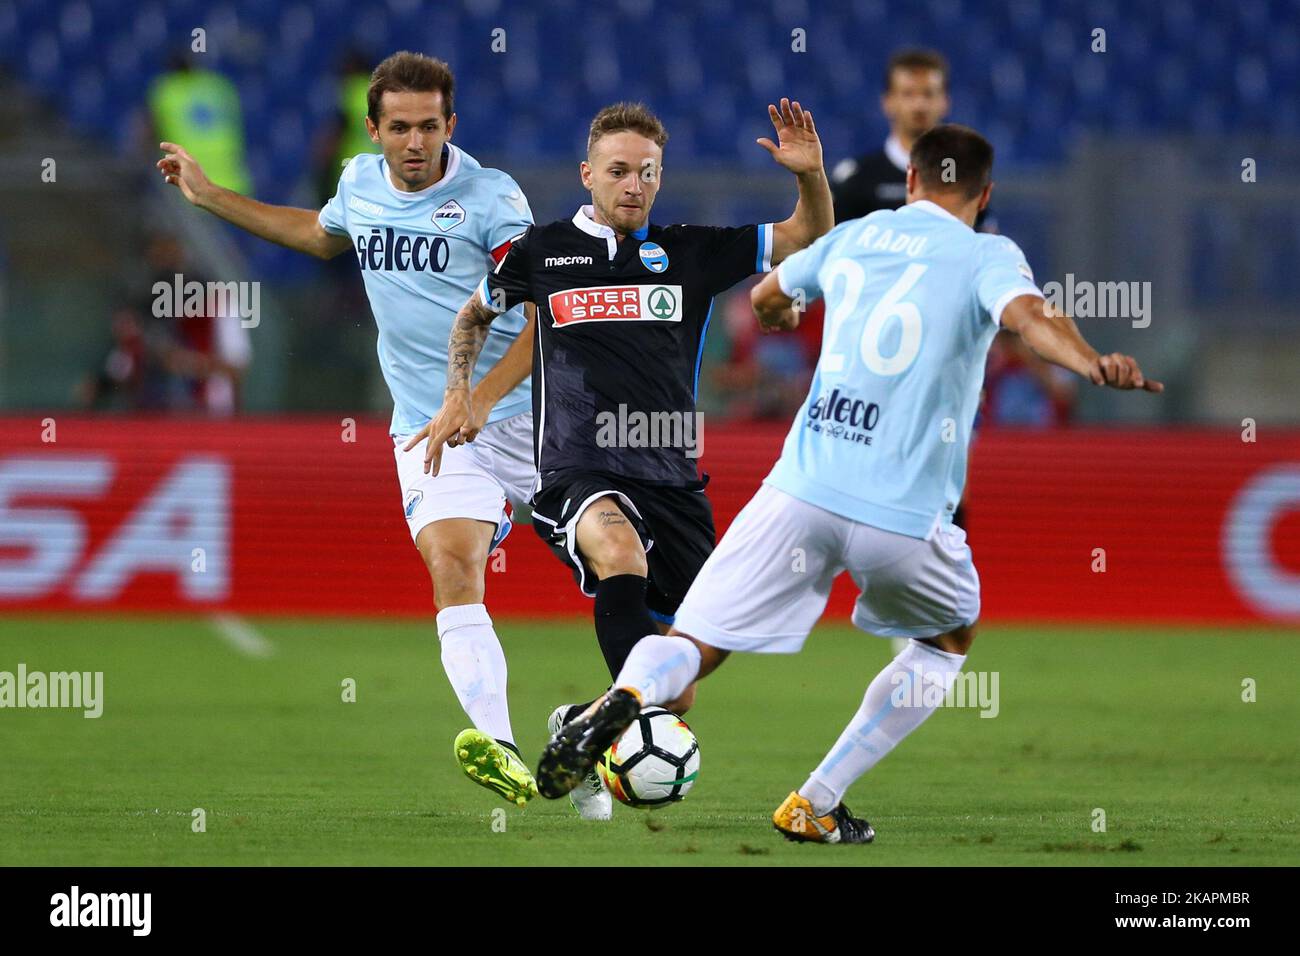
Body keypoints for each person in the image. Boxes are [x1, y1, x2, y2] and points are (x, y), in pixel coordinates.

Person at [538, 124, 1163, 842]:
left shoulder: (858, 237)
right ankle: (817, 798)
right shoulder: (988, 253)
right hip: (900, 510)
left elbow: (771, 297)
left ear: (915, 182)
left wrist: (783, 309)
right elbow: (1028, 319)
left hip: (799, 489)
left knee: (694, 644)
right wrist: (1089, 362)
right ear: (984, 195)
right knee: (944, 641)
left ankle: (623, 699)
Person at [415, 98, 833, 811]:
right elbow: (477, 312)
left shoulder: (691, 253)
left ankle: (585, 722)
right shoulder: (542, 252)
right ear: (588, 174)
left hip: (671, 475)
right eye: (618, 171)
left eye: (647, 172)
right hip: (579, 467)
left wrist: (812, 176)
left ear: (660, 179)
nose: (633, 183)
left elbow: (806, 237)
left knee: (686, 680)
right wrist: (461, 394)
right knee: (616, 550)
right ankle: (626, 728)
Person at [157, 51, 543, 809]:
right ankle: (503, 746)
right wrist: (210, 197)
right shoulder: (360, 184)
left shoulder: (495, 201)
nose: (414, 142)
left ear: (450, 125)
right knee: (453, 567)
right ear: (372, 130)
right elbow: (318, 234)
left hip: (529, 415)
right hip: (429, 428)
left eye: (429, 126)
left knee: (621, 571)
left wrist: (481, 397)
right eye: (398, 127)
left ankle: (601, 724)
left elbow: (542, 315)